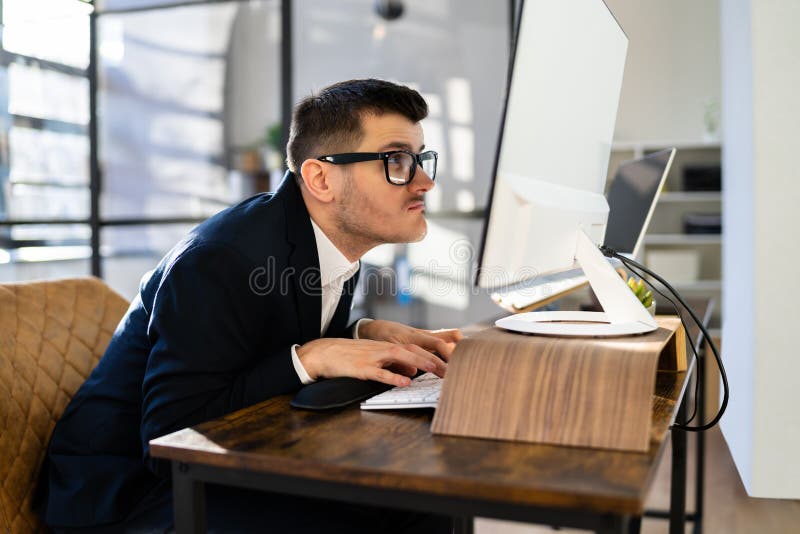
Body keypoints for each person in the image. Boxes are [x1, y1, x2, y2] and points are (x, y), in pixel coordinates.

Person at [36, 78, 462, 533]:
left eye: (420, 158)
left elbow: (269, 336)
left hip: (222, 462)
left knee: (426, 498)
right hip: (122, 498)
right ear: (321, 178)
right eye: (397, 161)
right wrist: (310, 357)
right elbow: (168, 438)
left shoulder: (325, 240)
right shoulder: (220, 260)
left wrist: (360, 333)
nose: (425, 181)